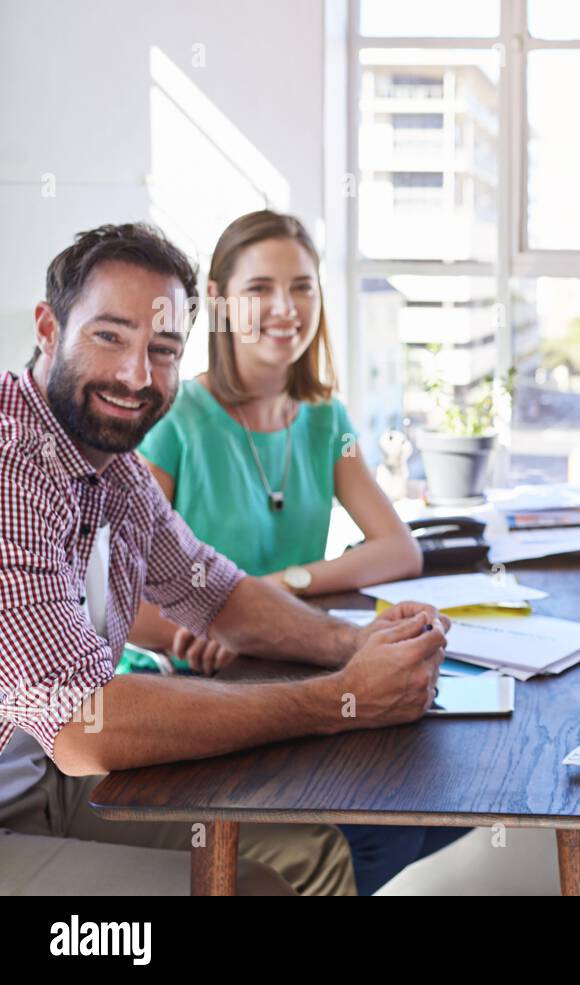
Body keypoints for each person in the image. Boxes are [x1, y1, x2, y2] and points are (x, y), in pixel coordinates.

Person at [0, 222, 449, 895]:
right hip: (31, 792)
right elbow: (83, 722)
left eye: (162, 349)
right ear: (47, 326)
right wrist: (341, 698)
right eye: (109, 336)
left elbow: (218, 592)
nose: (135, 374)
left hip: (43, 781)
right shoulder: (13, 466)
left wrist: (356, 644)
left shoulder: (114, 468)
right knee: (257, 885)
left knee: (311, 854)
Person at [127, 210, 464, 895]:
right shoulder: (174, 422)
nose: (286, 309)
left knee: (447, 791)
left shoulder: (325, 420)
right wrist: (220, 618)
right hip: (198, 686)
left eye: (303, 287)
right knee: (364, 829)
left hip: (288, 656)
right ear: (218, 300)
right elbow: (125, 604)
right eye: (260, 289)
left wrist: (269, 588)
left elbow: (397, 548)